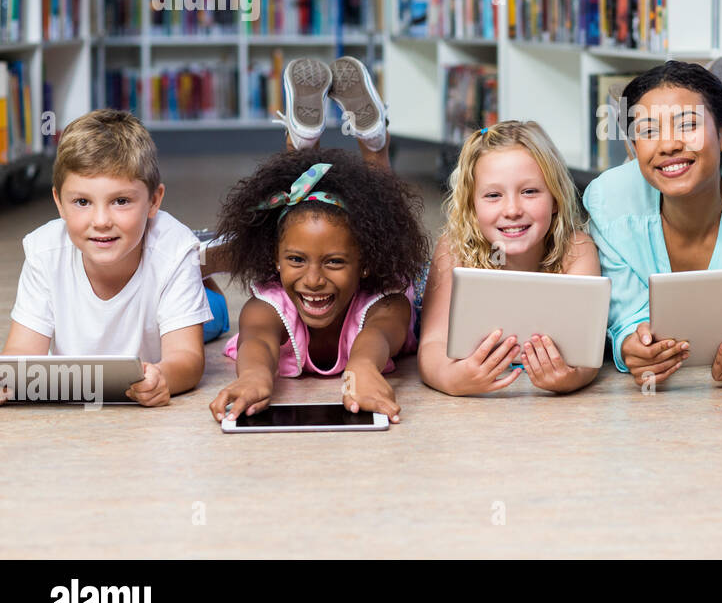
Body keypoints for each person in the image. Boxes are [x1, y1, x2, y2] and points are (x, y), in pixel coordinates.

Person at [206, 57, 430, 422]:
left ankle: (359, 144)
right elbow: (258, 340)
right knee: (297, 206)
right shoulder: (270, 303)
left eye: (335, 262)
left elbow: (375, 337)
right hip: (314, 236)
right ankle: (336, 139)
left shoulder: (385, 301)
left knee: (377, 208)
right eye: (295, 260)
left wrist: (363, 370)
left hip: (381, 273)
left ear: (365, 262)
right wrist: (254, 377)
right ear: (274, 260)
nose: (313, 279)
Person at [583, 59, 722, 388]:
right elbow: (627, 315)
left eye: (687, 124)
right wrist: (634, 344)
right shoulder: (607, 201)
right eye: (648, 131)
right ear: (633, 147)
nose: (668, 145)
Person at [1, 110, 210, 406]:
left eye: (121, 201)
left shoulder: (175, 250)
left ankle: (207, 292)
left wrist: (163, 376)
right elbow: (21, 351)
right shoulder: (44, 250)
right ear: (59, 203)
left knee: (210, 321)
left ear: (154, 201)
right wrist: (6, 383)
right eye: (82, 202)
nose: (100, 221)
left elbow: (188, 358)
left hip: (163, 290)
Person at [418, 121, 602, 395]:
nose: (513, 210)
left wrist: (571, 378)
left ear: (555, 199)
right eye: (493, 195)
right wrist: (449, 378)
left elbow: (588, 351)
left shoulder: (577, 249)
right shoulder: (454, 249)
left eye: (529, 192)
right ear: (471, 207)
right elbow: (432, 344)